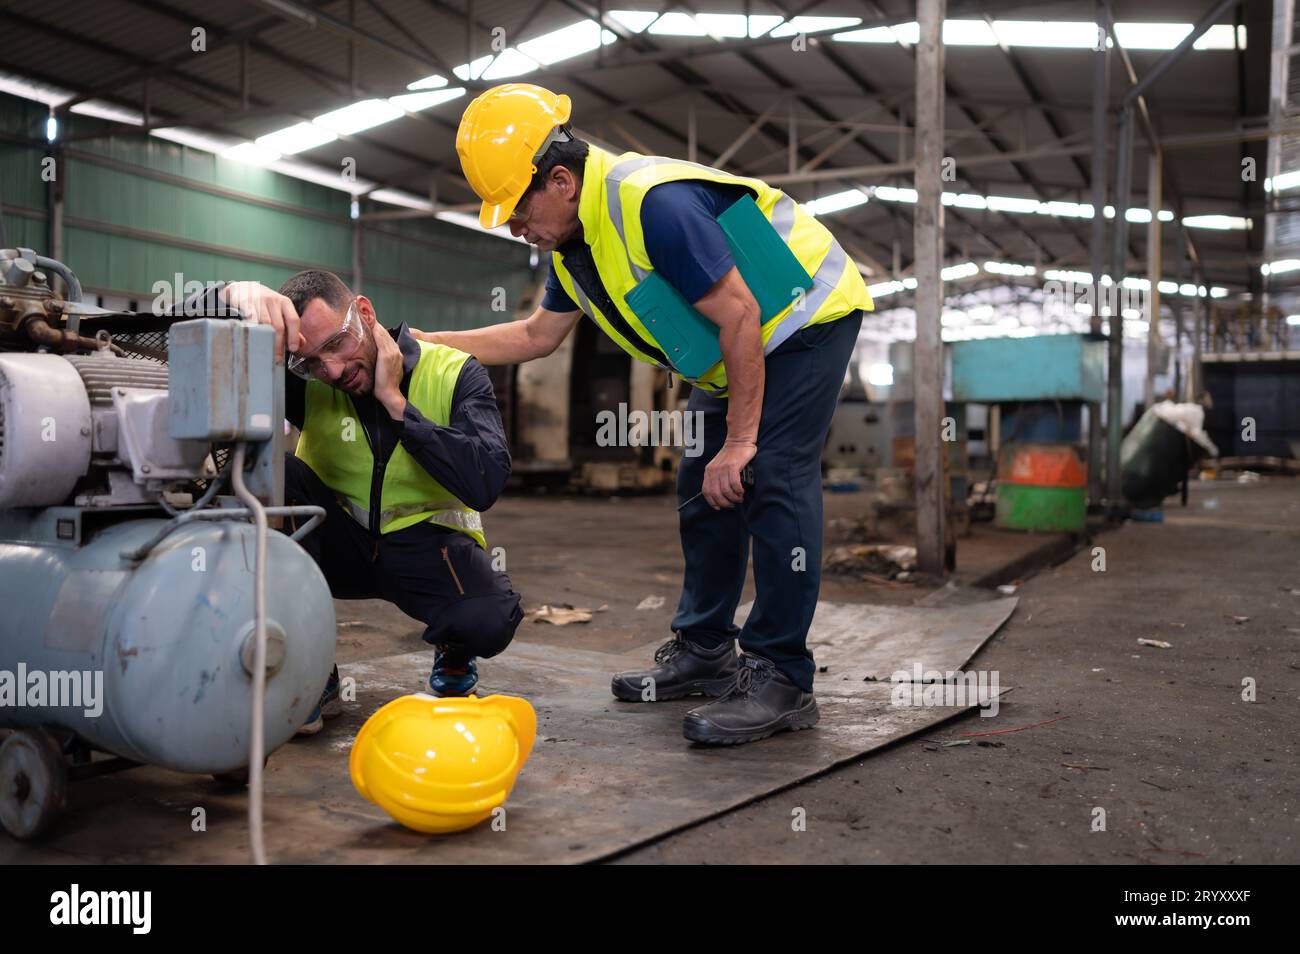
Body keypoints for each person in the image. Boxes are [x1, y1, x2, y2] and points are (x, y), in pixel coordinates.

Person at [415, 83, 873, 746]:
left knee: (771, 471)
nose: (513, 227)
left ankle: (782, 676)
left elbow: (743, 312)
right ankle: (706, 649)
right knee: (700, 483)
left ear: (562, 180)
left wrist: (741, 442)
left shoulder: (653, 204)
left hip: (803, 320)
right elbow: (536, 338)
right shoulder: (576, 248)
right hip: (736, 348)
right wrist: (424, 343)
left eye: (516, 208)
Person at [215, 271, 523, 733]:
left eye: (337, 344)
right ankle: (308, 663)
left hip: (428, 550)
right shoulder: (307, 378)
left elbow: (485, 480)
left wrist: (397, 405)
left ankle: (455, 653)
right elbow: (191, 349)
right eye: (312, 361)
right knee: (272, 471)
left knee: (487, 618)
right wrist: (231, 296)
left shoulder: (454, 372)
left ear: (364, 312)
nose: (332, 371)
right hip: (337, 544)